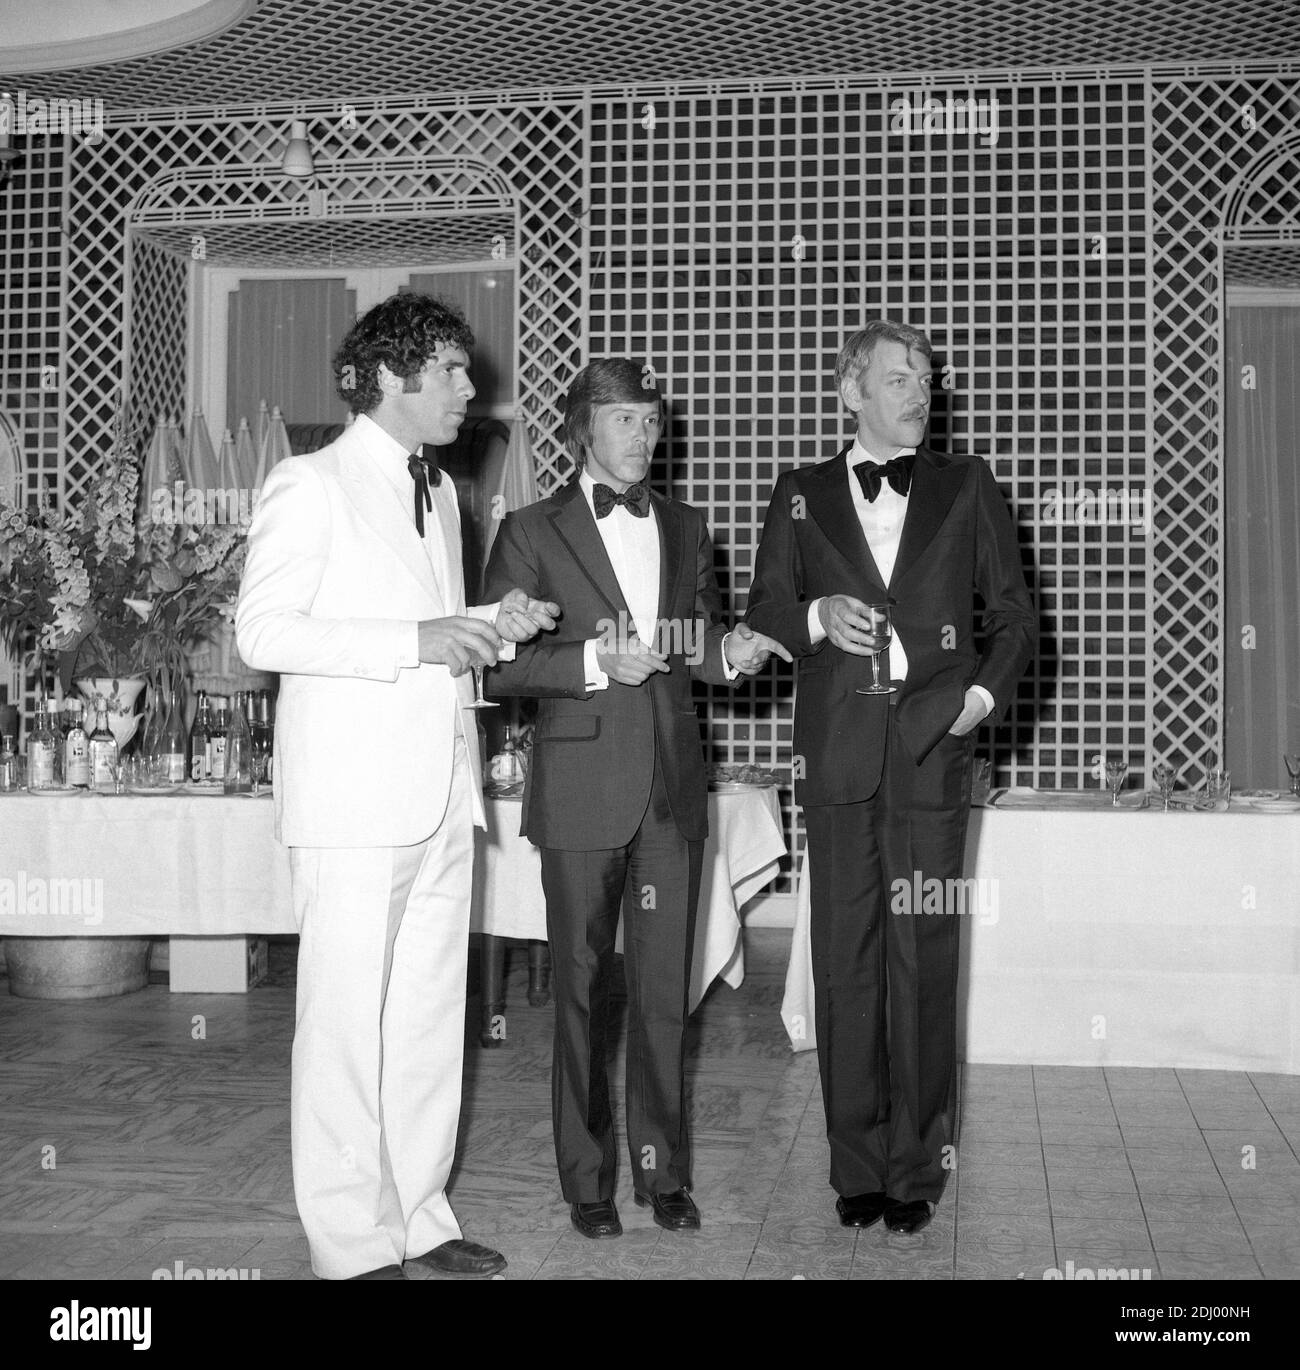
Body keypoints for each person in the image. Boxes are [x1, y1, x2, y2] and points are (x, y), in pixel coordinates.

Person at [235, 293, 559, 1280]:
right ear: (388, 376)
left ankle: (419, 1215)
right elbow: (265, 631)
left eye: (466, 371)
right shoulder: (308, 482)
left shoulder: (440, 494)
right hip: (350, 804)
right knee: (341, 1027)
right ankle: (348, 1238)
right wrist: (415, 640)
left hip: (441, 793)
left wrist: (487, 617)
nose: (472, 388)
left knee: (426, 1021)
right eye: (453, 370)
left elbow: (421, 624)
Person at [482, 358, 790, 1239]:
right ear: (584, 428)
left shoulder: (689, 527)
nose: (644, 437)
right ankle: (587, 1185)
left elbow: (691, 644)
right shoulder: (532, 531)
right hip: (580, 788)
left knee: (665, 994)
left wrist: (731, 655)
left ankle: (664, 1175)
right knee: (579, 993)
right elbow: (498, 664)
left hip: (671, 790)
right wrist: (590, 663)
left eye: (652, 422)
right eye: (625, 421)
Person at [745, 320, 1036, 1235]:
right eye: (900, 378)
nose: (921, 392)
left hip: (933, 759)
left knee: (924, 962)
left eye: (928, 378)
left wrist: (975, 707)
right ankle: (856, 1166)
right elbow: (763, 615)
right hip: (834, 761)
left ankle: (918, 1169)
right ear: (852, 391)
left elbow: (1017, 620)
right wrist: (818, 615)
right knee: (847, 966)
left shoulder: (967, 483)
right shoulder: (798, 493)